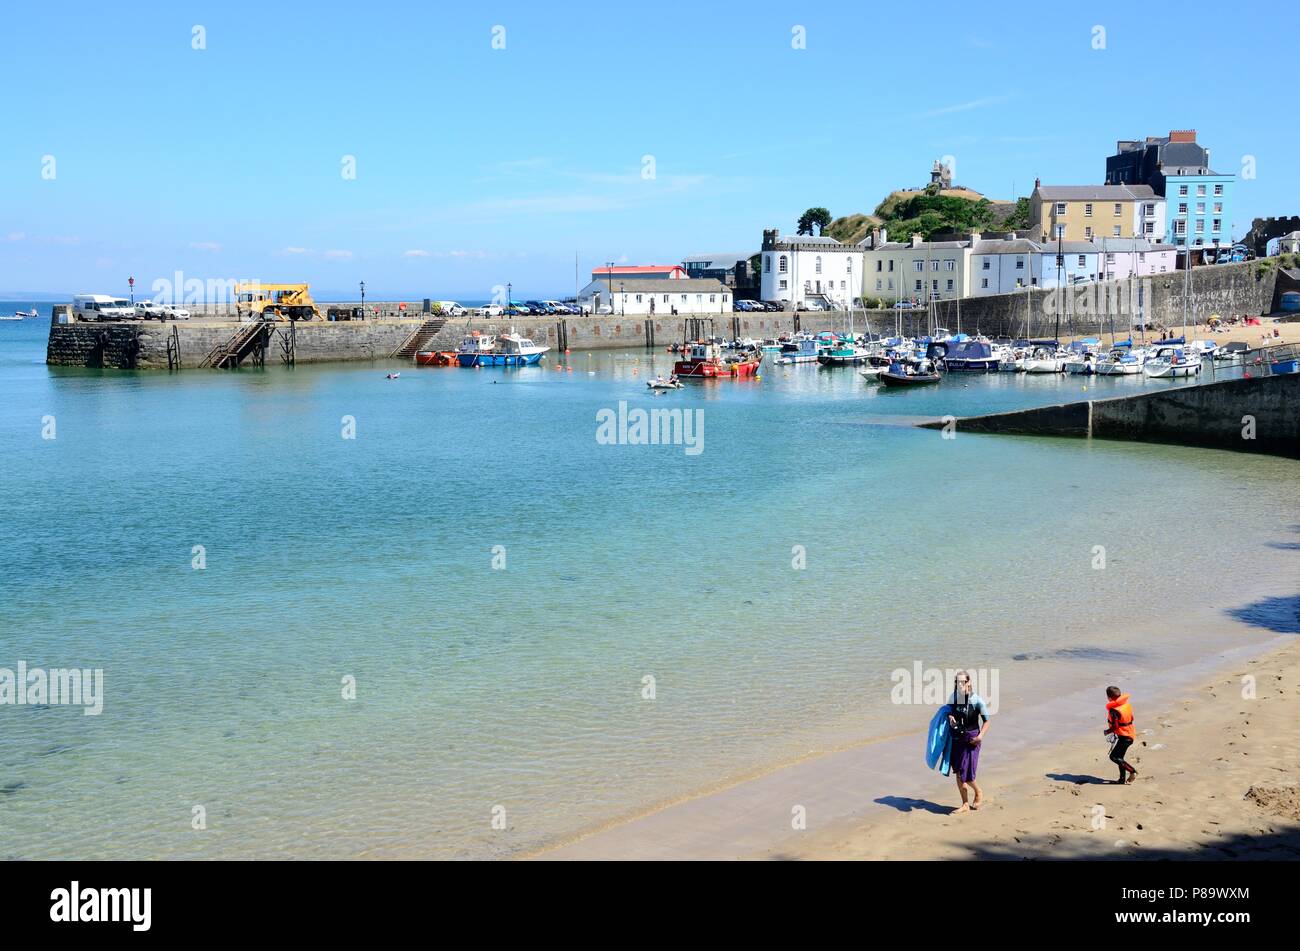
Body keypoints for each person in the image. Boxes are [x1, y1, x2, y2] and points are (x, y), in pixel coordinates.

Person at [947, 671, 990, 812]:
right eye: (957, 682)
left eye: (962, 682)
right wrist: (950, 717)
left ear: (968, 682)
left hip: (972, 739)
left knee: (968, 774)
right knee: (959, 772)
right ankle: (965, 804)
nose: (960, 685)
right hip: (958, 738)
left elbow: (987, 721)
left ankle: (978, 791)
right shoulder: (954, 697)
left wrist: (980, 737)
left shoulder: (977, 700)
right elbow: (949, 711)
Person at [1103, 686, 1138, 784]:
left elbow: (1115, 726)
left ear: (1109, 698)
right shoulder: (1126, 705)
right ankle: (1122, 779)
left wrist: (1107, 731)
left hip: (1125, 737)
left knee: (1114, 757)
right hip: (1130, 733)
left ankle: (1132, 771)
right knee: (1120, 757)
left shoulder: (1114, 710)